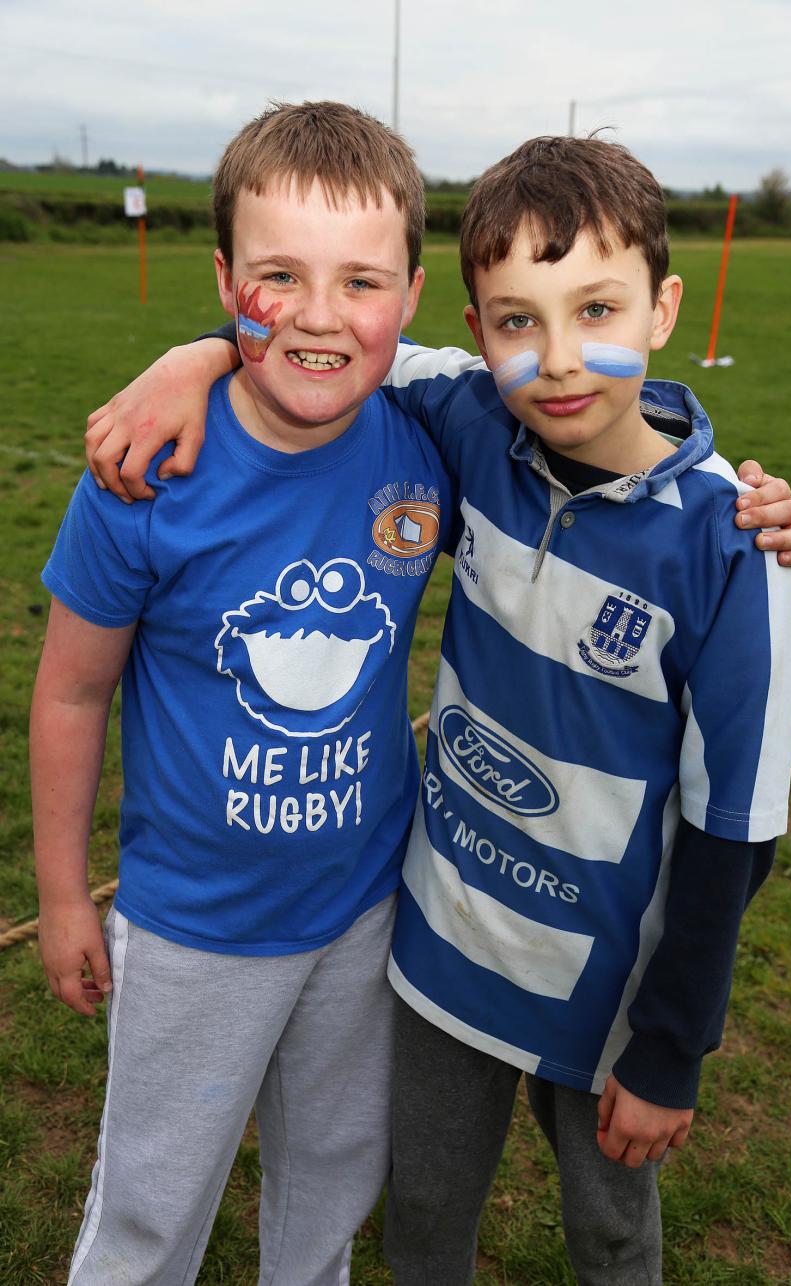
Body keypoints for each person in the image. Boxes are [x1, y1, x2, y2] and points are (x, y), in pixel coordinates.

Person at [83, 132, 791, 1285]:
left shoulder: (732, 547)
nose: (558, 359)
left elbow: (738, 827)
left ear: (664, 308)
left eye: (597, 310)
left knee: (613, 1236)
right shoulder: (468, 422)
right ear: (475, 332)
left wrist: (670, 1045)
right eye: (517, 319)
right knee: (419, 1213)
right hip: (438, 943)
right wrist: (197, 355)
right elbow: (330, 335)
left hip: (609, 980)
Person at [31, 101, 452, 1286]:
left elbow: (585, 433)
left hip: (368, 908)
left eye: (359, 280)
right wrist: (64, 898)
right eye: (278, 276)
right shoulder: (144, 473)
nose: (319, 314)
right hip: (193, 931)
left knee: (328, 1185)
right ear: (225, 277)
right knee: (153, 1207)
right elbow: (70, 694)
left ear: (410, 294)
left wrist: (733, 488)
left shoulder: (428, 447)